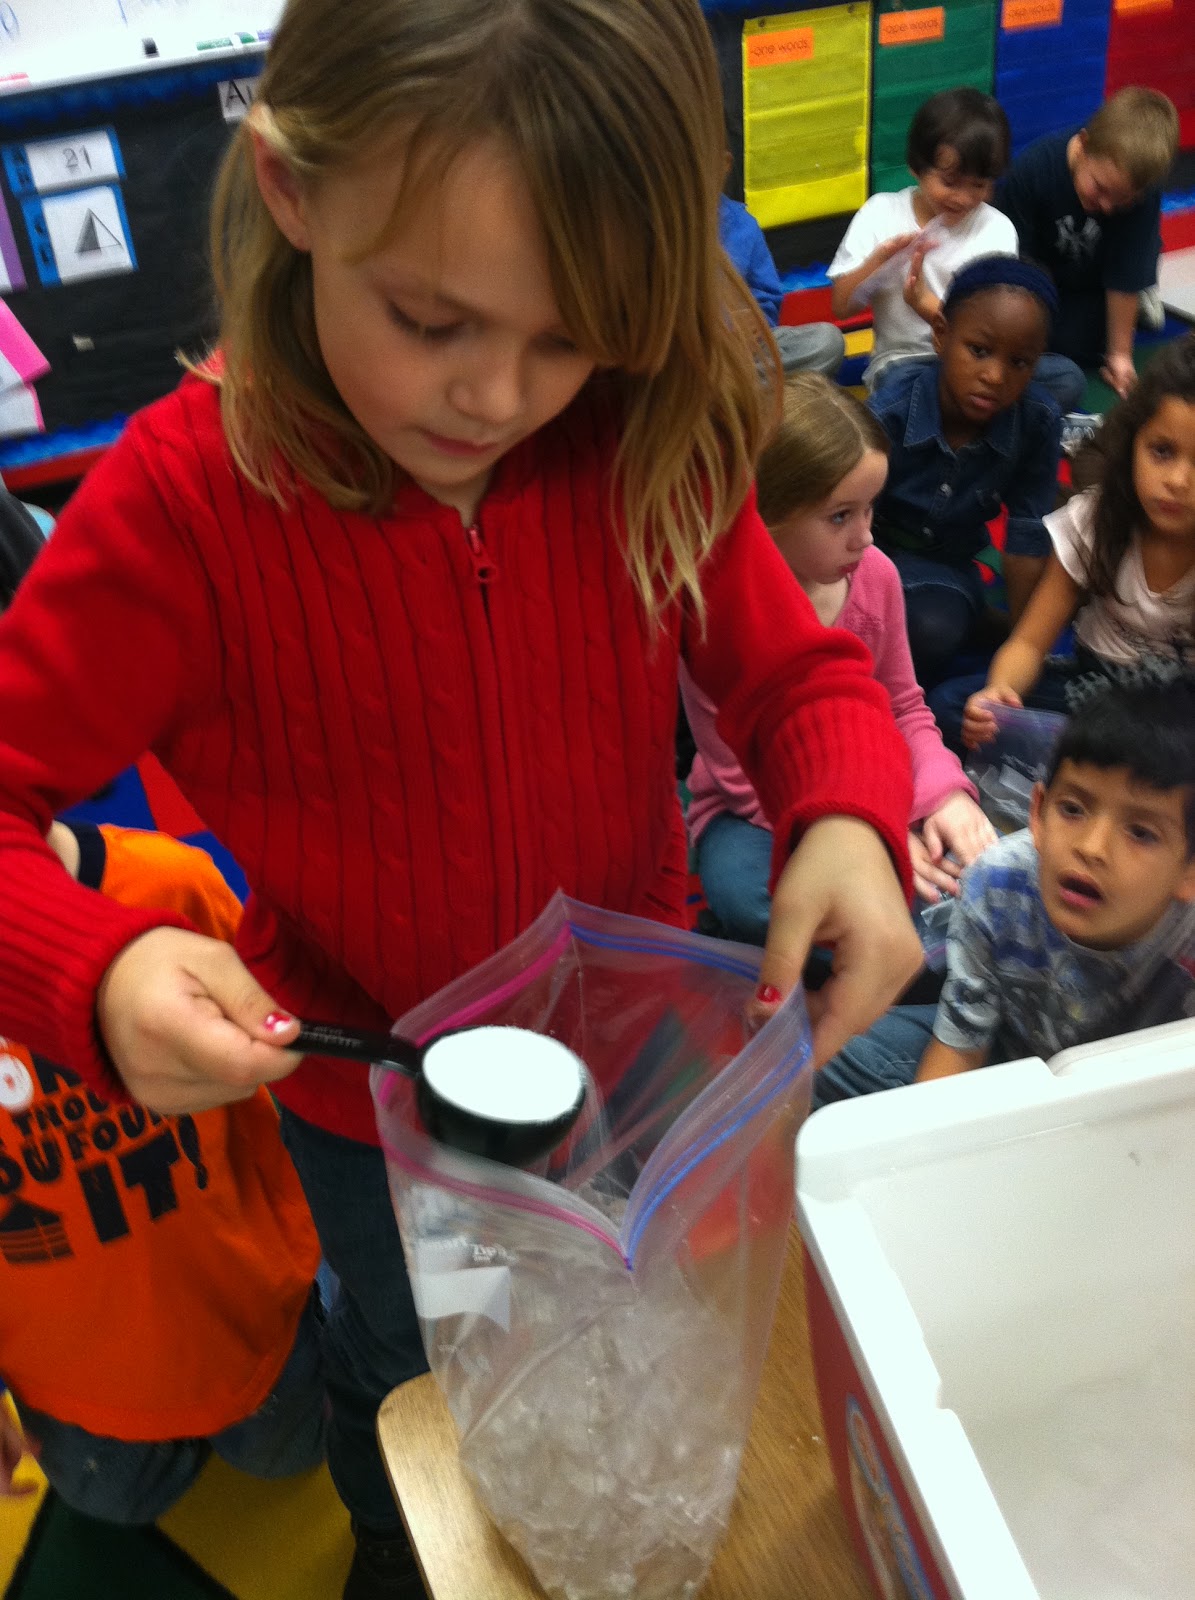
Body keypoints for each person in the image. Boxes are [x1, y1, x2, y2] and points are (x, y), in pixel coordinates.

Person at [0, 3, 923, 1595]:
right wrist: (94, 971)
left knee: (624, 1332)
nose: (495, 394)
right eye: (429, 318)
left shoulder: (638, 426)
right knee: (419, 1375)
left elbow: (792, 678)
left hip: (628, 1045)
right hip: (366, 1097)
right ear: (292, 192)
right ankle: (394, 1531)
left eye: (564, 337)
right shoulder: (173, 511)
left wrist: (841, 816)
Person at [0, 820, 325, 1524]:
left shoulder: (169, 888)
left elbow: (303, 1090)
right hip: (67, 1380)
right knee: (120, 1500)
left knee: (292, 1448)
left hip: (250, 1314)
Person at [682, 373, 995, 947]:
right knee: (747, 893)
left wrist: (945, 793)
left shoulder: (874, 578)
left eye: (870, 510)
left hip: (876, 783)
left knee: (964, 859)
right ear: (762, 517)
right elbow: (738, 774)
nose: (866, 538)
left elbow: (903, 706)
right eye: (839, 517)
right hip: (758, 812)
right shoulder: (714, 606)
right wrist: (868, 831)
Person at [816, 670, 1195, 1105]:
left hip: (1138, 1105)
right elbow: (960, 1051)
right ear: (1037, 812)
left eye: (1142, 833)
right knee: (826, 1055)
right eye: (1073, 809)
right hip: (1011, 1062)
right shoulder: (996, 887)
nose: (1092, 848)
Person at [956, 333, 1195, 752]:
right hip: (1093, 687)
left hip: (1179, 719)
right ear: (1132, 444)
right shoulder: (1098, 519)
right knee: (957, 706)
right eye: (1161, 451)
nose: (1177, 481)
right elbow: (1029, 642)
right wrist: (1000, 693)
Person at [867, 255, 1062, 686]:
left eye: (1019, 363)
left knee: (933, 628)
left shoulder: (1038, 421)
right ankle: (967, 616)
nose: (994, 376)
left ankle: (969, 613)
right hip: (870, 553)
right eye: (979, 351)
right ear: (941, 335)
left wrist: (1023, 640)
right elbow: (847, 521)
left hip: (948, 567)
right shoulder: (889, 413)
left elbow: (1027, 534)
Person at [995, 87, 1180, 404]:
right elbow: (1015, 265)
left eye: (1121, 200)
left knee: (1085, 339)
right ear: (1082, 145)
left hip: (1097, 286)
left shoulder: (1143, 197)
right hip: (1042, 281)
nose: (1107, 206)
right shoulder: (1034, 170)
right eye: (1100, 189)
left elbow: (1124, 274)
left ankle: (1141, 301)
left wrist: (1120, 355)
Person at [828, 88, 1016, 393]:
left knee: (1062, 376)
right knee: (904, 385)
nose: (964, 198)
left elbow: (993, 334)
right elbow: (841, 307)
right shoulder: (881, 213)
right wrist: (879, 263)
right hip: (903, 362)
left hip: (975, 365)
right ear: (917, 167)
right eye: (950, 182)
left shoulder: (997, 229)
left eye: (979, 185)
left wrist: (925, 304)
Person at [718, 189, 845, 377]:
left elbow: (766, 297)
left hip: (743, 355)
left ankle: (729, 388)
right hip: (682, 356)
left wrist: (755, 323)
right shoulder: (662, 226)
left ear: (725, 165)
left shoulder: (742, 223)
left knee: (827, 341)